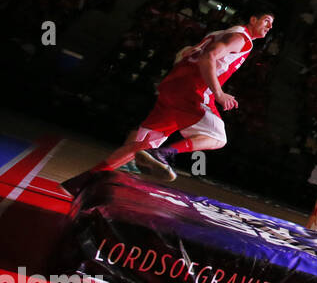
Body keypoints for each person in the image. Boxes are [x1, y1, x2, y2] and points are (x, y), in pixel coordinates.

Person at [73, 13, 274, 183]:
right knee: (218, 137)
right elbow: (208, 57)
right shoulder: (242, 39)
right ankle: (164, 154)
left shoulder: (219, 33)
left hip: (173, 86)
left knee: (140, 146)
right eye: (266, 20)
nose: (269, 26)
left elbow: (186, 53)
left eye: (272, 24)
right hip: (191, 90)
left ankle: (84, 180)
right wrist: (219, 93)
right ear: (253, 19)